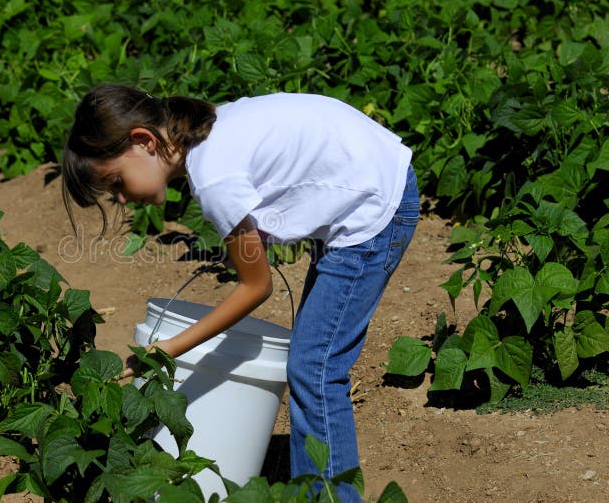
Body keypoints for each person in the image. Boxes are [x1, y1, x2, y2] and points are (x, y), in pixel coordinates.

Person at [61, 83, 419, 501]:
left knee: (314, 368)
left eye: (117, 183)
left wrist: (169, 349)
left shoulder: (214, 179)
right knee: (310, 359)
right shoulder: (211, 134)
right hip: (368, 187)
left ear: (144, 141)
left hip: (373, 211)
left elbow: (257, 286)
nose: (122, 198)